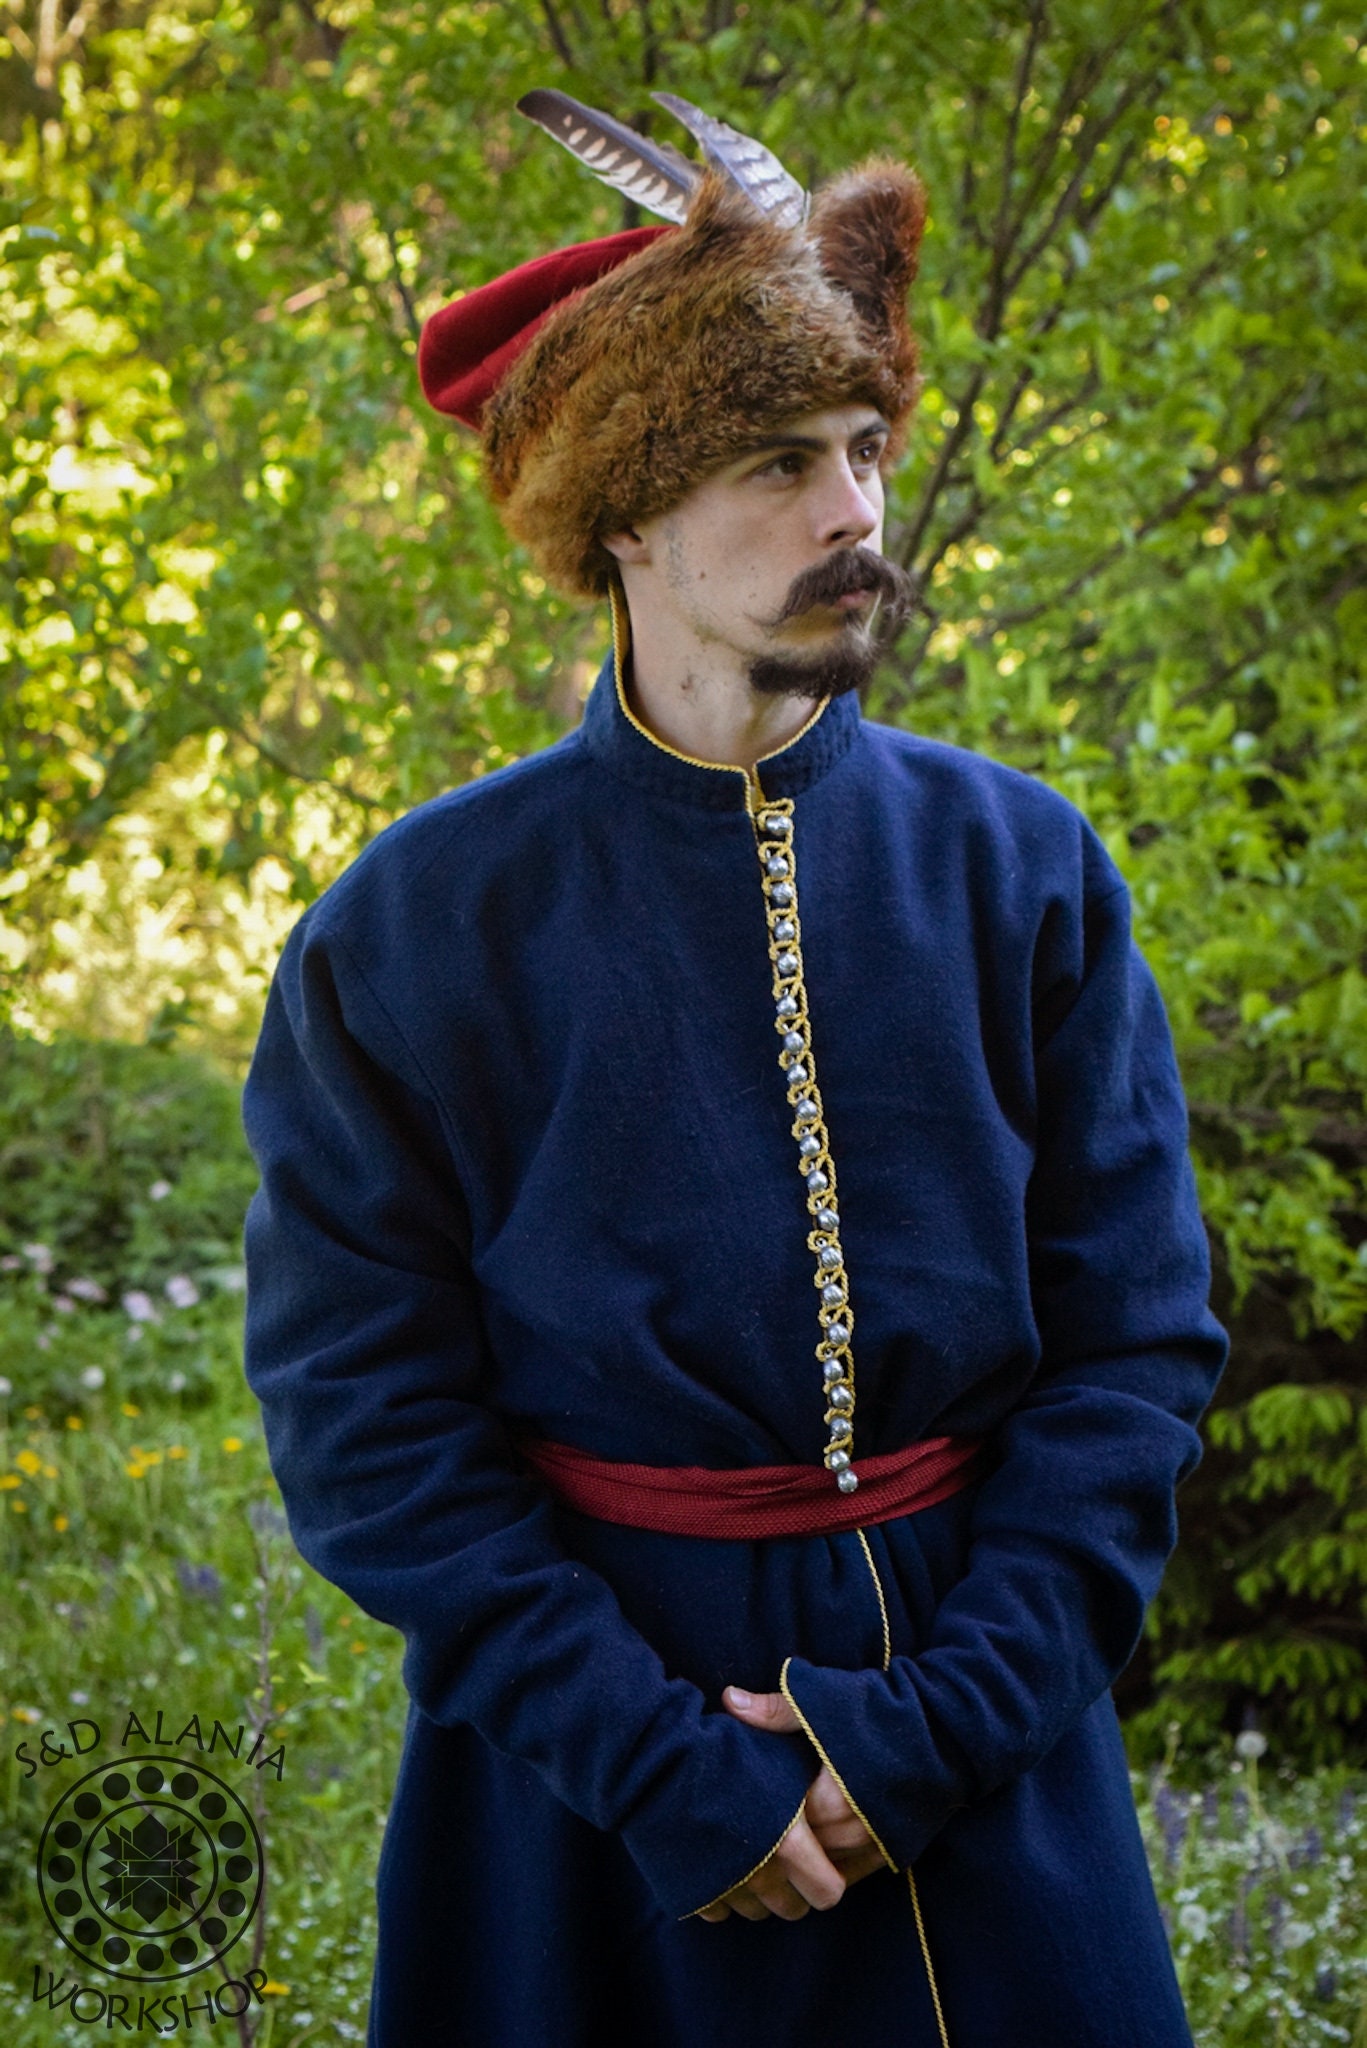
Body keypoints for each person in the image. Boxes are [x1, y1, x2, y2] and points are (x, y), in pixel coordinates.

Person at [242, 91, 1227, 2047]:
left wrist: (941, 1721)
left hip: (990, 1748)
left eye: (864, 449)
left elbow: (1136, 1353)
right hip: (593, 1797)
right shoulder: (416, 931)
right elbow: (369, 1428)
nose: (857, 512)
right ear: (623, 518)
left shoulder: (1022, 872)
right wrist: (659, 1763)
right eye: (783, 463)